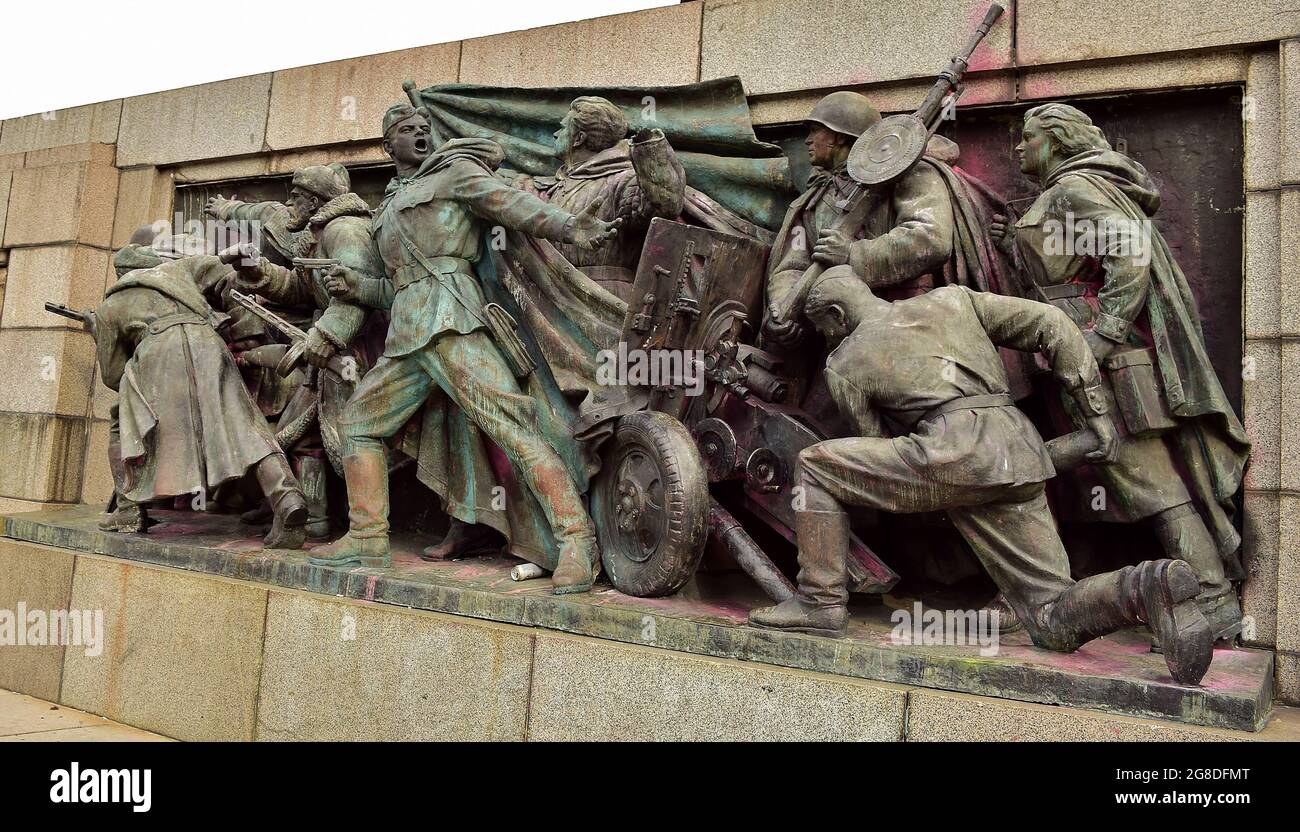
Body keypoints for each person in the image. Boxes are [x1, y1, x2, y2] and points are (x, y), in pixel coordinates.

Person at [748, 270, 1216, 686]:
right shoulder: (955, 299)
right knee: (1052, 616)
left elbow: (881, 452)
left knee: (814, 464)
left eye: (824, 328)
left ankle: (820, 602)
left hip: (949, 454)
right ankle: (1149, 584)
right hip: (1018, 451)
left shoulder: (843, 364)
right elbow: (1053, 325)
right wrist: (1094, 413)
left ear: (834, 312)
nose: (828, 338)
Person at [310, 103, 620, 595]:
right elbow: (395, 290)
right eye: (406, 131)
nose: (418, 135)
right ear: (388, 145)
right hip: (407, 337)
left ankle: (577, 541)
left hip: (454, 322)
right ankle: (367, 537)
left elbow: (510, 205)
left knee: (515, 429)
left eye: (422, 128)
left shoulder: (455, 172)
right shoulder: (388, 207)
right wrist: (356, 286)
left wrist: (569, 224)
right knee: (359, 427)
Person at [990, 103, 1251, 641]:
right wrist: (1013, 244)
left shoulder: (1075, 189)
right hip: (1073, 359)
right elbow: (1063, 269)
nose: (1019, 148)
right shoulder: (1064, 192)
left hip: (1106, 365)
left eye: (1029, 138)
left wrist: (1101, 338)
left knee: (1152, 483)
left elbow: (1127, 254)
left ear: (1057, 143)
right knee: (1108, 480)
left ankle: (1211, 596)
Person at [93, 245, 308, 548]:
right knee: (245, 426)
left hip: (158, 355)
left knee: (121, 423)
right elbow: (225, 276)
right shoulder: (179, 269)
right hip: (208, 344)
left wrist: (99, 332)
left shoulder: (108, 309)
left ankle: (128, 511)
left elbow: (114, 377)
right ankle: (286, 498)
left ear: (120, 275)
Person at [228, 165, 386, 538]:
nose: (289, 203)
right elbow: (300, 288)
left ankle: (368, 532)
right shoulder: (319, 234)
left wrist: (326, 336)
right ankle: (311, 516)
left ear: (314, 200)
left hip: (358, 352)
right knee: (300, 436)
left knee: (356, 437)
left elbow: (352, 296)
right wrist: (255, 270)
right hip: (328, 352)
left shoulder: (346, 229)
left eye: (295, 196)